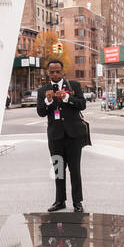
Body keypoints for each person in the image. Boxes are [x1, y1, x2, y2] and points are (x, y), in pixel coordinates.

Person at [37, 58, 89, 212]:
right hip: (55, 137)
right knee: (59, 169)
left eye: (57, 71)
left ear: (62, 71)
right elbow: (40, 113)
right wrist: (48, 101)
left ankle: (77, 202)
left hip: (74, 136)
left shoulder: (74, 86)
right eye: (51, 72)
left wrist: (67, 98)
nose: (55, 74)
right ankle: (60, 201)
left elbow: (82, 105)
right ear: (48, 73)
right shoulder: (43, 91)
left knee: (75, 170)